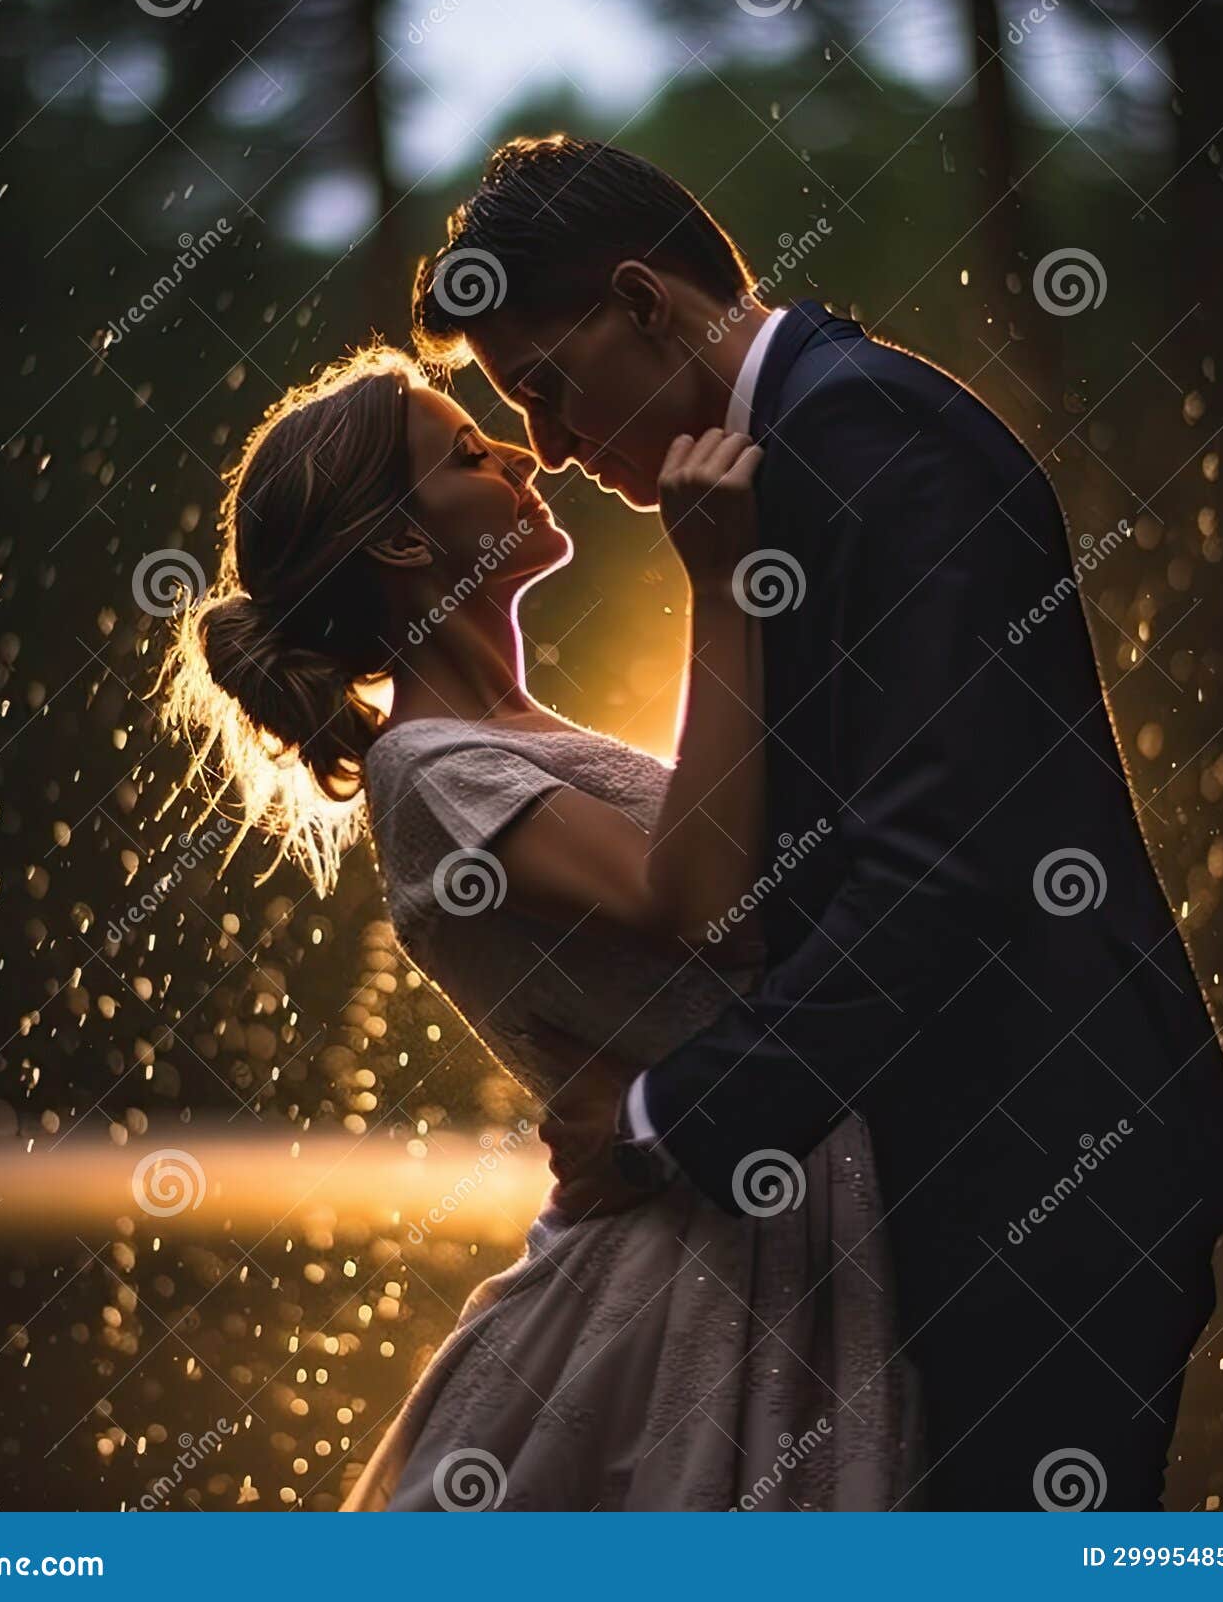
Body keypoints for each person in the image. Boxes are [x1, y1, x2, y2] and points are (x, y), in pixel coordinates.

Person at [409, 136, 1223, 1509]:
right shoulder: (811, 441)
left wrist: (663, 1116)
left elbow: (934, 865)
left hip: (1043, 1160)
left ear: (643, 300)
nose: (556, 450)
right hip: (978, 1169)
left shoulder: (868, 435)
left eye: (550, 391)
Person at [161, 345, 917, 1511]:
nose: (516, 447)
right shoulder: (428, 769)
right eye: (468, 451)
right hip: (693, 1270)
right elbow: (705, 900)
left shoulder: (520, 736)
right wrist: (719, 585)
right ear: (406, 546)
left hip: (757, 1207)